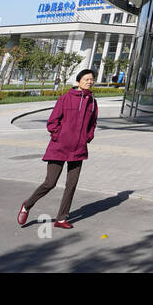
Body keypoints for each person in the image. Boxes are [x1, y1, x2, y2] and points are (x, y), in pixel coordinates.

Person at [17, 68, 99, 229]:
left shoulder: (93, 102)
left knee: (72, 184)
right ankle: (27, 205)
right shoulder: (65, 98)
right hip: (59, 147)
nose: (89, 81)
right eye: (86, 79)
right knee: (50, 183)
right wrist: (58, 136)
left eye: (92, 79)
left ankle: (61, 218)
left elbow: (93, 123)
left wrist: (87, 137)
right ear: (79, 81)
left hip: (79, 148)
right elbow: (52, 121)